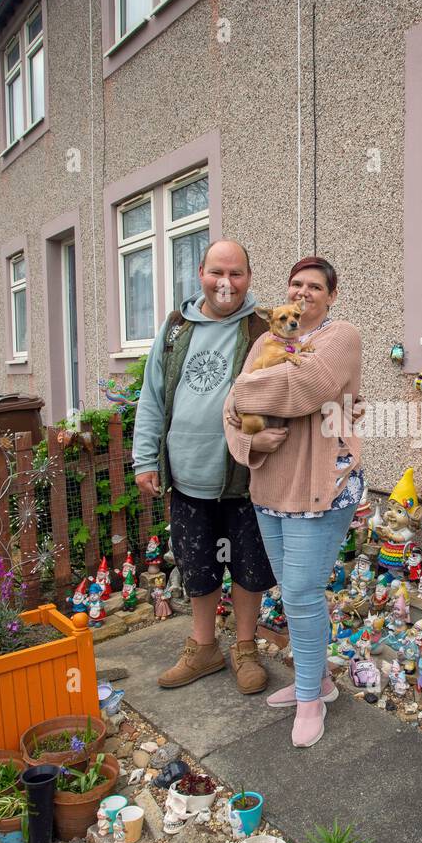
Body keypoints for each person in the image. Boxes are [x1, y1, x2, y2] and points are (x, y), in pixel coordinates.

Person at [223, 256, 363, 747]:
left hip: (322, 483)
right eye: (295, 285)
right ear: (285, 294)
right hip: (271, 487)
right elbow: (231, 413)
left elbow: (305, 389)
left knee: (302, 593)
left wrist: (243, 388)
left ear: (331, 294)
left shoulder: (339, 336)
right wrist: (247, 445)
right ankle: (318, 681)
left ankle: (309, 700)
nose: (304, 293)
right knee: (291, 590)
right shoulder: (266, 340)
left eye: (315, 287)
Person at [132, 239, 276, 695]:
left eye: (236, 274)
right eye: (217, 272)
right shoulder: (176, 328)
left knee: (249, 565)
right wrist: (145, 458)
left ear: (248, 278)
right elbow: (152, 396)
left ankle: (247, 647)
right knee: (198, 567)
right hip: (189, 476)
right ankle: (205, 647)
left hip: (246, 477)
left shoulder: (262, 329)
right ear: (200, 273)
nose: (226, 283)